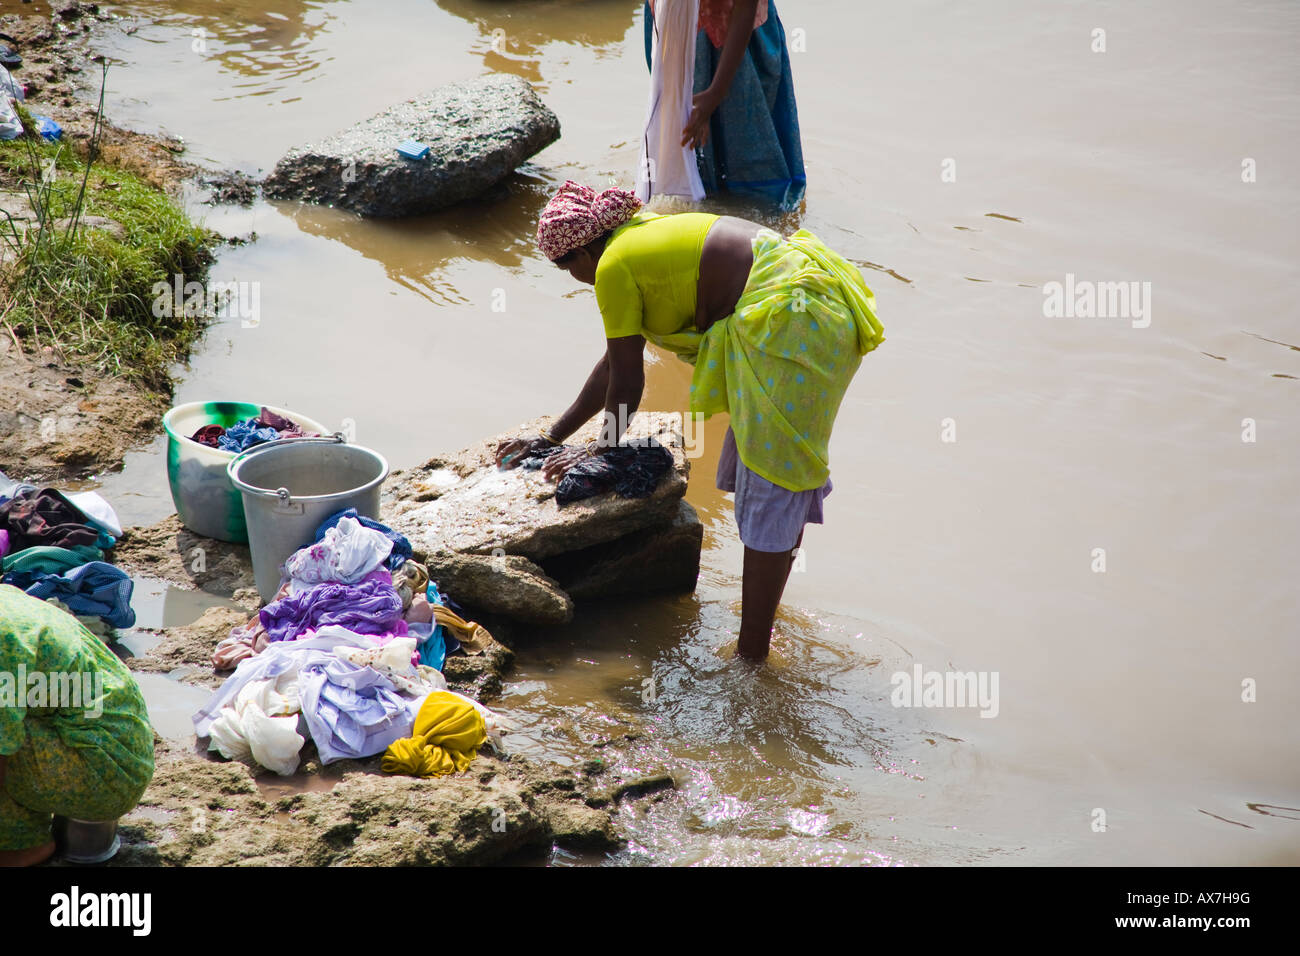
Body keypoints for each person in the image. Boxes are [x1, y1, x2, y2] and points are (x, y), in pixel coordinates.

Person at [496, 182, 883, 661]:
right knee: (775, 476)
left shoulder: (614, 265)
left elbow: (627, 381)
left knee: (770, 483)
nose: (574, 277)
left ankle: (751, 659)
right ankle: (764, 627)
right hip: (812, 305)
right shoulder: (642, 234)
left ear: (587, 248)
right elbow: (615, 364)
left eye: (568, 265)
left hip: (787, 322)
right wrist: (552, 437)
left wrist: (603, 448)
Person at [0, 584, 154, 866]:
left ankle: (22, 846)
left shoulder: (3, 639)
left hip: (103, 770)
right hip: (111, 748)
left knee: (4, 739)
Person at [643, 0, 805, 206]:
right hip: (671, 19)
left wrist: (715, 93)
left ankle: (757, 213)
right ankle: (702, 200)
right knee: (683, 135)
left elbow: (747, 6)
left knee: (750, 150)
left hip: (736, 29)